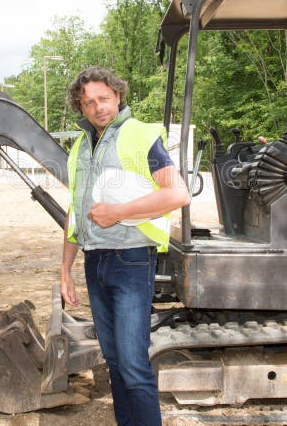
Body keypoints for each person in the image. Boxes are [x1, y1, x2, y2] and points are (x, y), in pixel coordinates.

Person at [60, 67, 190, 426]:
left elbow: (177, 193)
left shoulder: (140, 135)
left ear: (118, 96)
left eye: (104, 98)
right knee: (115, 362)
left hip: (131, 260)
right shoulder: (81, 146)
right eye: (88, 102)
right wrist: (65, 269)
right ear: (81, 107)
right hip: (94, 261)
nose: (98, 107)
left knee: (133, 365)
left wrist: (118, 212)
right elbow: (75, 209)